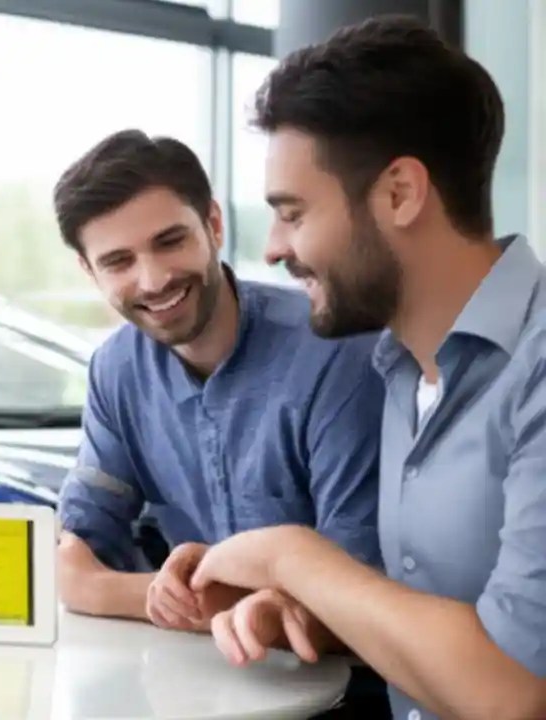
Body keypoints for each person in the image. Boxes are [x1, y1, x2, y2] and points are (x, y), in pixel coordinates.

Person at [187, 16, 546, 720]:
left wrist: (293, 558)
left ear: (400, 195)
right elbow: (435, 606)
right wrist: (307, 612)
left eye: (292, 213)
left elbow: (513, 688)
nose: (272, 249)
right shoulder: (402, 370)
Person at [51, 129, 383, 632]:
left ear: (213, 223)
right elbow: (78, 553)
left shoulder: (336, 352)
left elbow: (356, 592)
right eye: (118, 261)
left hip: (340, 691)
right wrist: (164, 594)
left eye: (170, 241)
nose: (154, 279)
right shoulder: (116, 369)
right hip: (198, 684)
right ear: (88, 270)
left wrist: (110, 591)